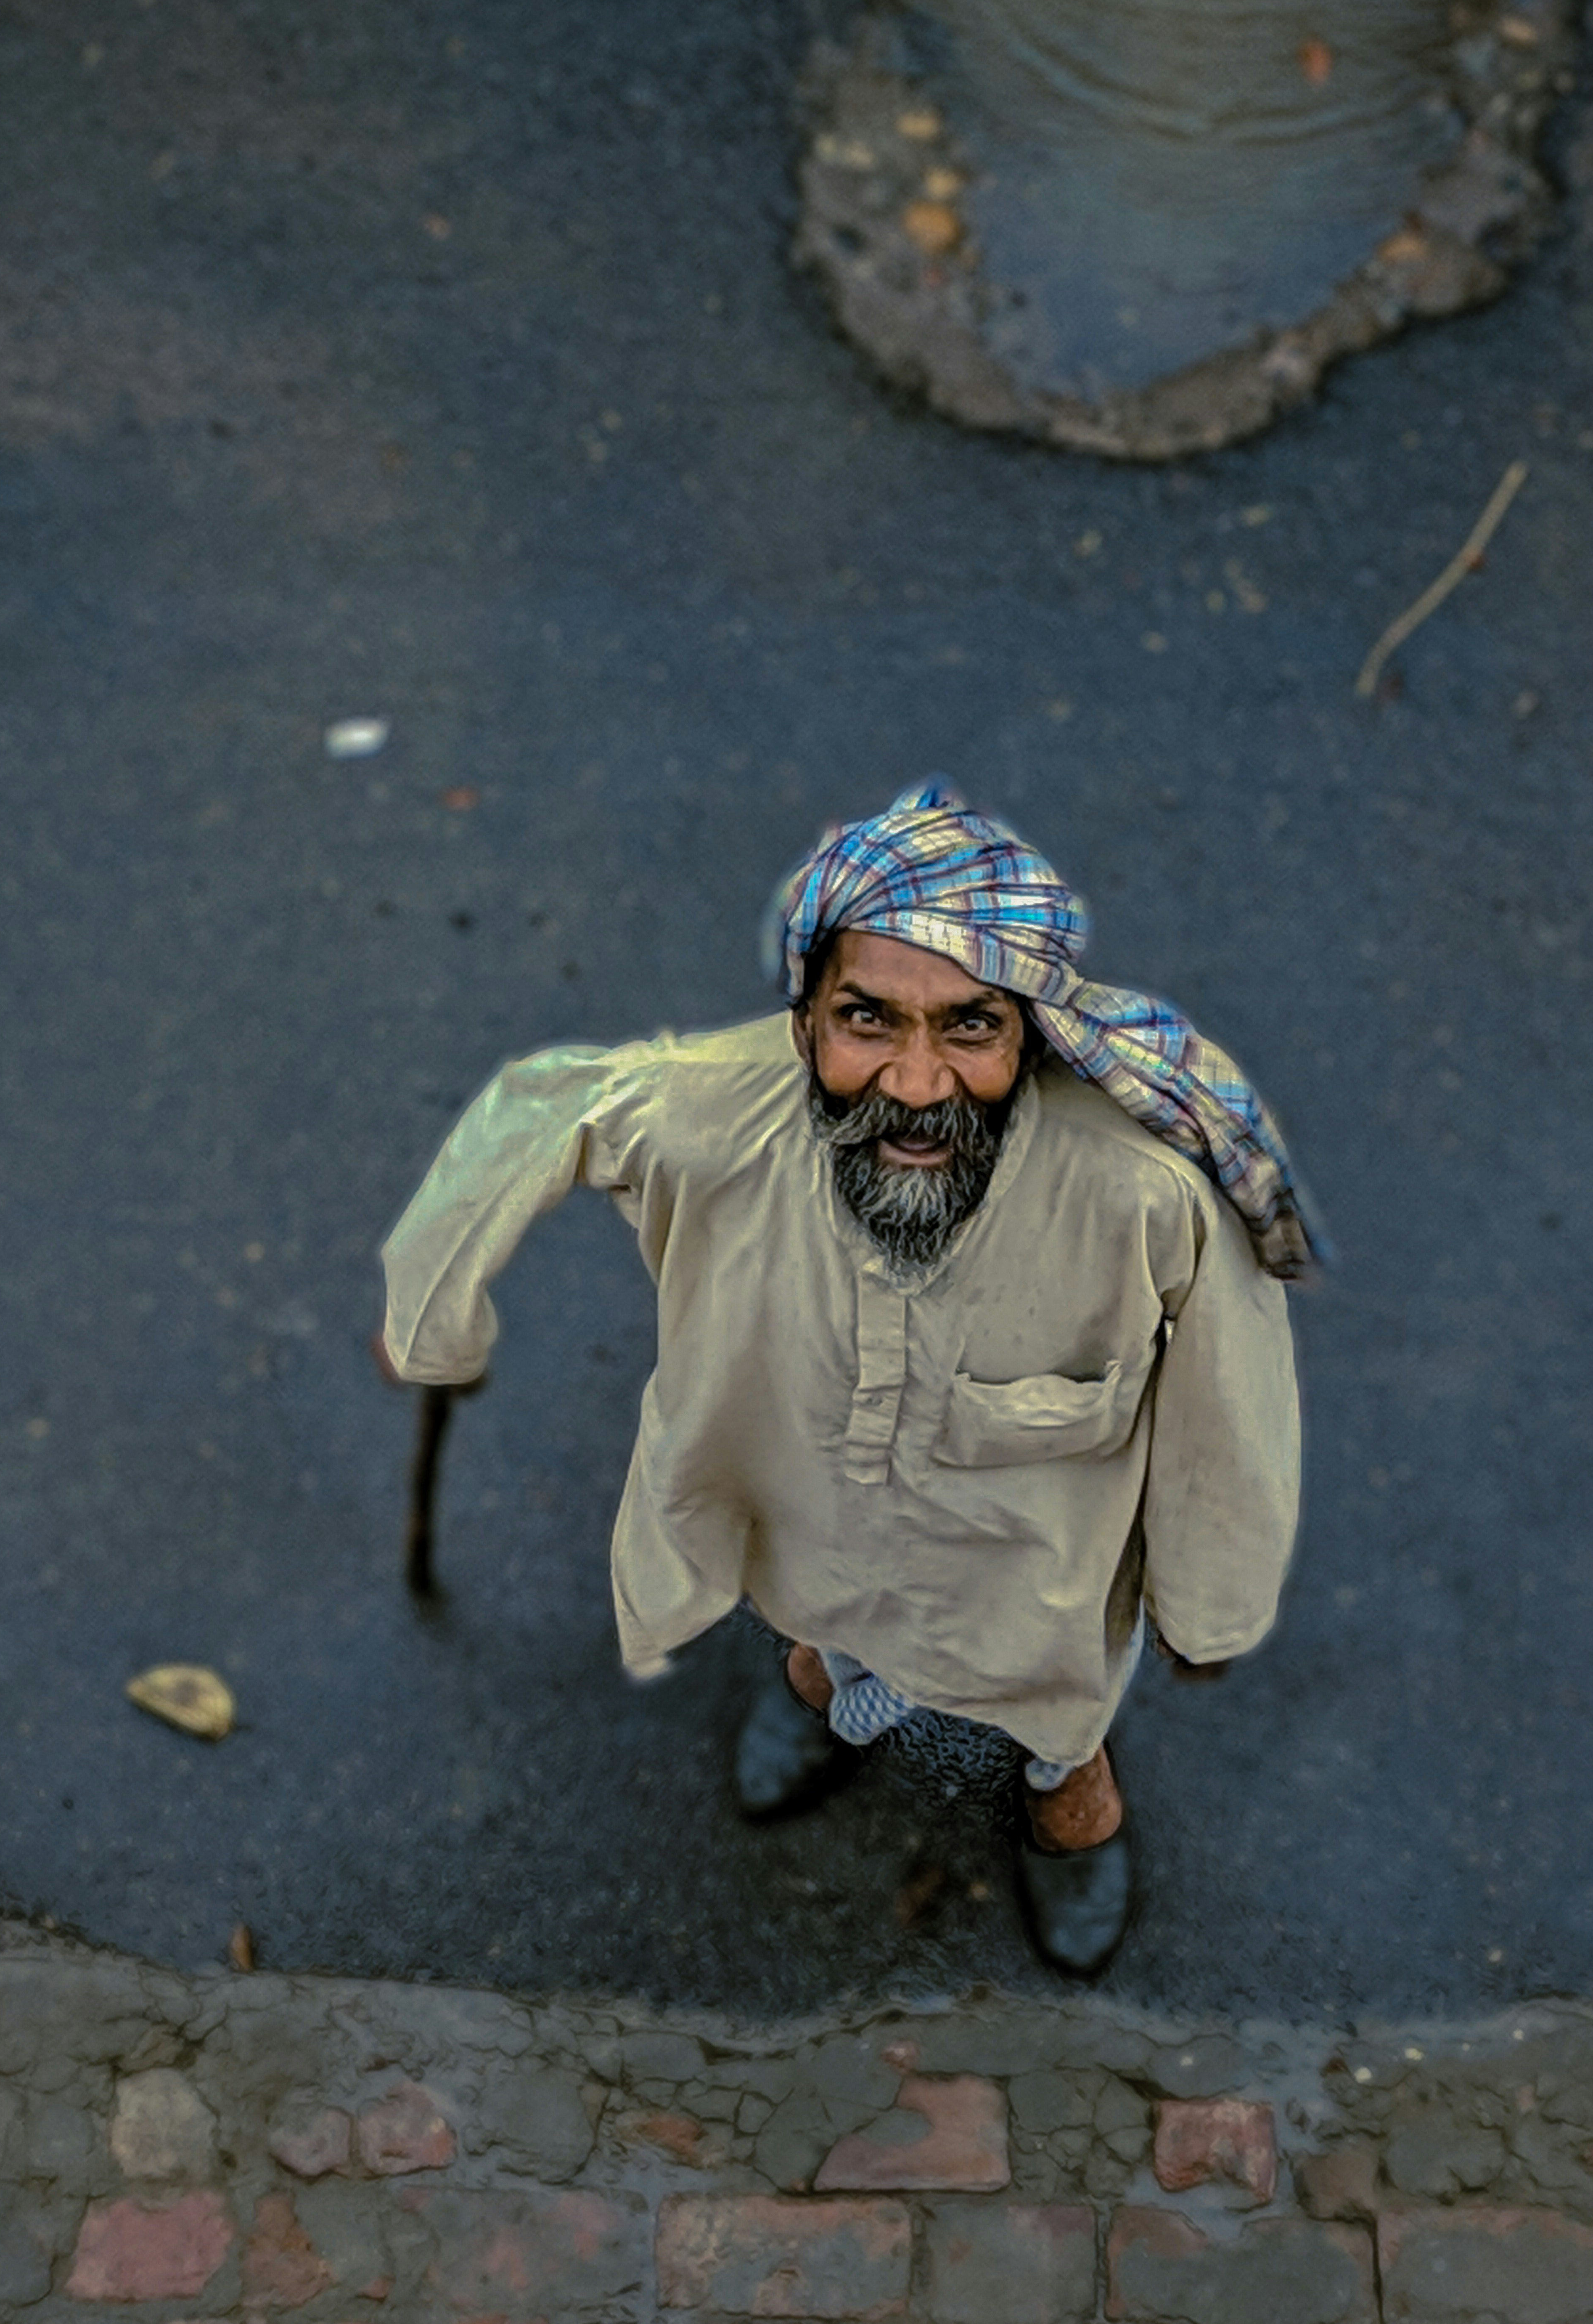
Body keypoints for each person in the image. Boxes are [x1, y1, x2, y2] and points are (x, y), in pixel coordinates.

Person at [376, 781, 1316, 1975]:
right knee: (817, 1638)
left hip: (1034, 1589)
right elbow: (544, 1109)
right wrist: (430, 1316)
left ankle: (1074, 1815)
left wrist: (1211, 1606)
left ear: (1028, 1033)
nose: (916, 1084)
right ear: (808, 1020)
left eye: (969, 1027)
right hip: (812, 1537)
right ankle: (820, 1691)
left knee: (1054, 1724)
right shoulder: (724, 1113)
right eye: (869, 1021)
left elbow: (1229, 1422)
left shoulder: (1144, 1198)